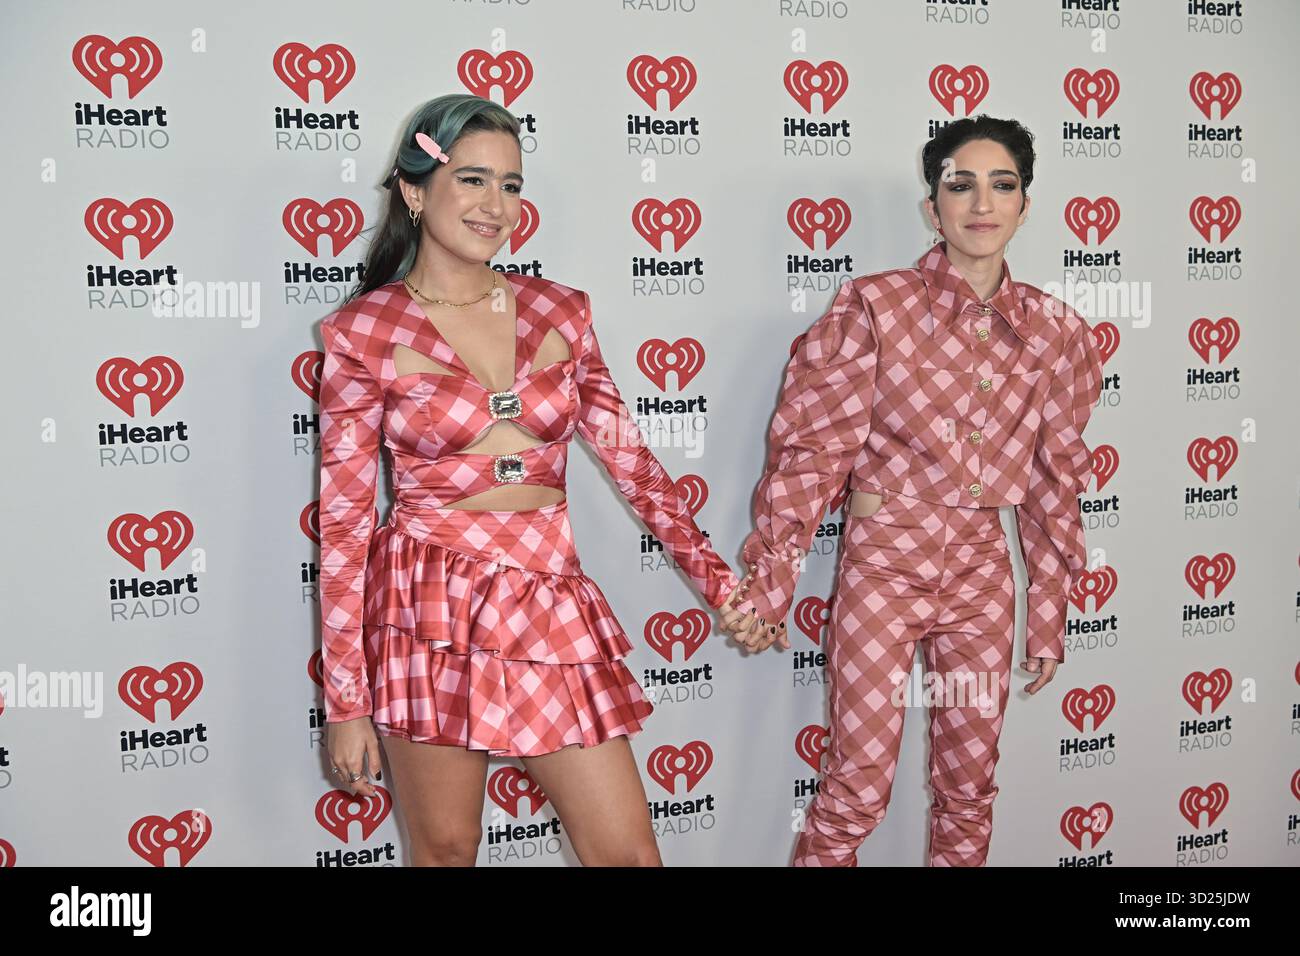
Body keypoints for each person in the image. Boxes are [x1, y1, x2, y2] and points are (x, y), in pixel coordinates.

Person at [317, 93, 750, 866]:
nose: (496, 205)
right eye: (474, 180)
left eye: (511, 185)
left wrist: (724, 588)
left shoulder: (561, 311)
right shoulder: (362, 333)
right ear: (415, 191)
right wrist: (347, 701)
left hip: (549, 601)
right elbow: (346, 525)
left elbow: (635, 466)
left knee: (628, 854)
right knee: (446, 850)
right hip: (430, 609)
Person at [722, 115, 1106, 866]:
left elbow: (1056, 479)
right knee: (855, 789)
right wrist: (770, 585)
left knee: (970, 790)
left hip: (982, 575)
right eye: (960, 185)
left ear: (1027, 206)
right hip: (883, 564)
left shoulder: (1057, 332)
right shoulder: (876, 306)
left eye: (1004, 185)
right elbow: (811, 456)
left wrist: (1051, 611)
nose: (981, 203)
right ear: (933, 207)